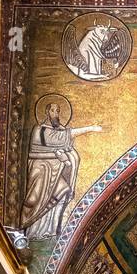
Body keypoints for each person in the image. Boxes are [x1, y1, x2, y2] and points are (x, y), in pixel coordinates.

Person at [20, 101, 101, 239]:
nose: (56, 114)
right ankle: (33, 232)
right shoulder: (40, 130)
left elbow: (65, 142)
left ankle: (51, 231)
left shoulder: (58, 130)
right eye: (53, 111)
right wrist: (90, 128)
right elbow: (61, 139)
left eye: (58, 111)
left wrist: (63, 157)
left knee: (63, 193)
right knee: (36, 200)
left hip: (53, 172)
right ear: (46, 113)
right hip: (41, 172)